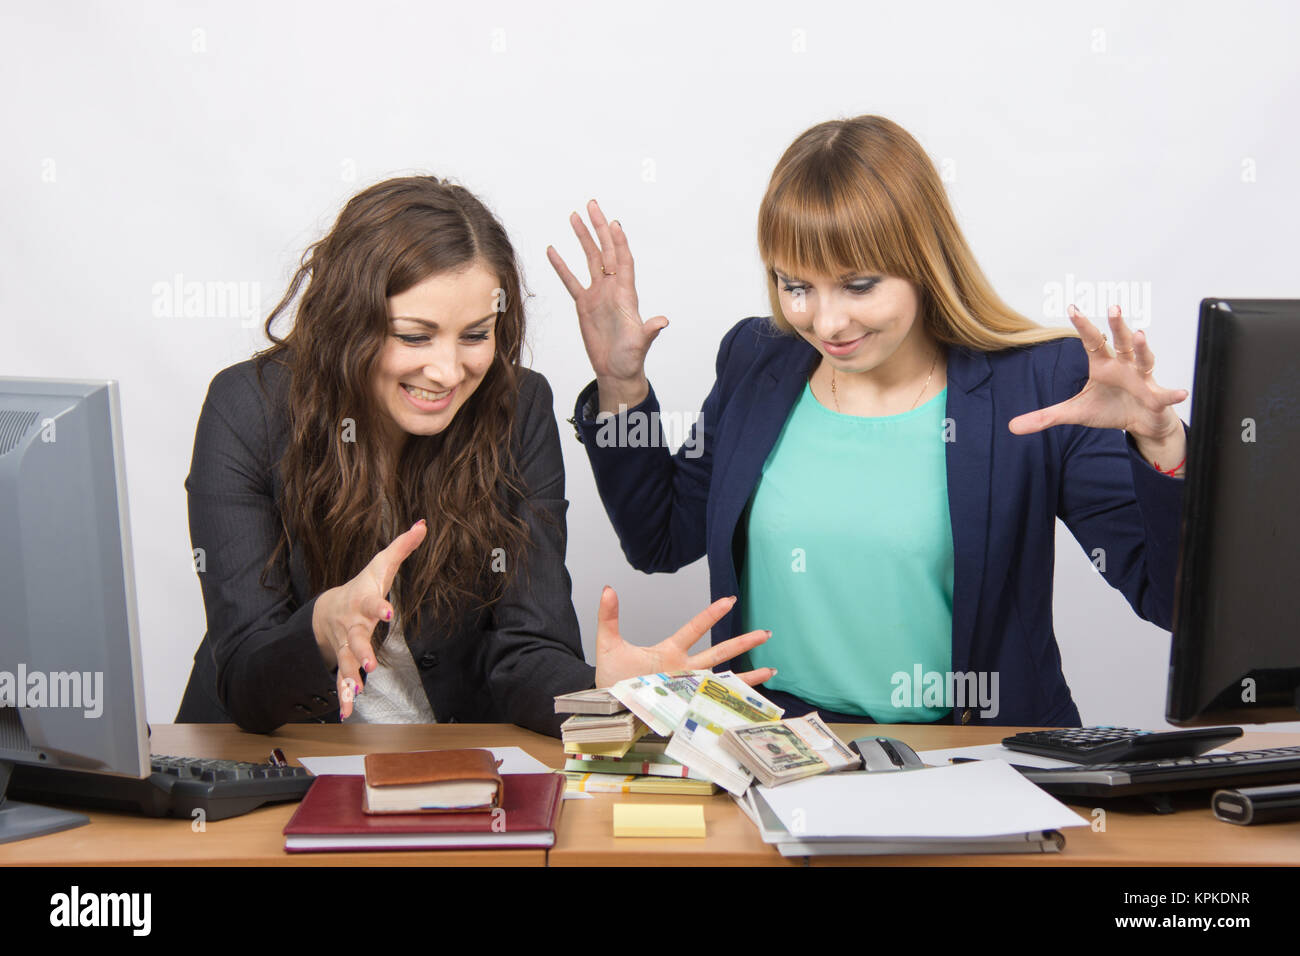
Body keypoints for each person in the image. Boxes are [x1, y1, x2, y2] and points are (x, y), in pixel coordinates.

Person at [549, 115, 1189, 727]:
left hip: (977, 754)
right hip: (777, 748)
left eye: (858, 286)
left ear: (924, 262)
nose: (826, 323)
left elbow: (1170, 602)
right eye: (796, 286)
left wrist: (1160, 444)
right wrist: (621, 383)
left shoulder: (1040, 382)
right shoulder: (757, 359)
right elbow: (659, 540)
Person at [175, 175, 772, 737]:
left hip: (450, 777)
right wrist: (322, 628)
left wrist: (602, 692)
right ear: (345, 322)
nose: (446, 371)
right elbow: (244, 680)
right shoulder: (248, 407)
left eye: (475, 335)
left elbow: (527, 651)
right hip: (275, 773)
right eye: (413, 335)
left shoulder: (518, 407)